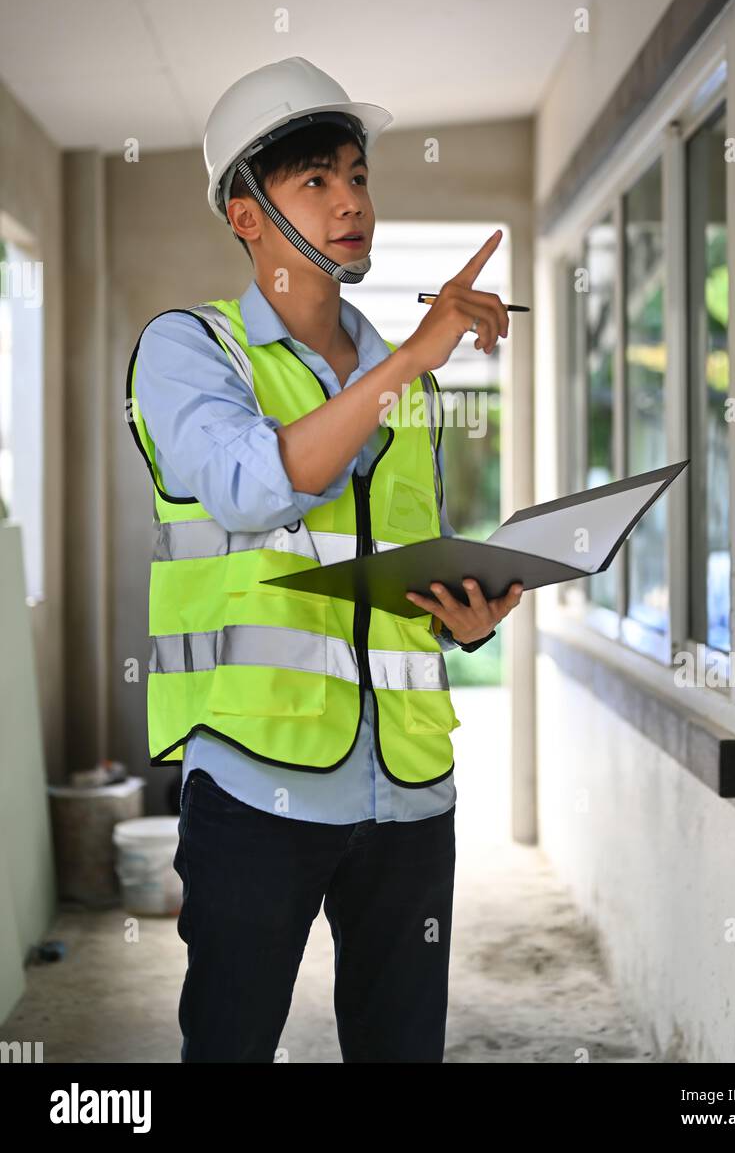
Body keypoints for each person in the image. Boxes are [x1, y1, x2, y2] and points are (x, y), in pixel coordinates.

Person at [126, 55, 524, 1063]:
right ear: (245, 214)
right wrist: (405, 362)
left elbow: (391, 573)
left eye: (357, 174)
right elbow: (254, 487)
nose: (351, 199)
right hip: (257, 785)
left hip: (409, 786)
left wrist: (457, 613)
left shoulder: (406, 380)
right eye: (315, 178)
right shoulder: (191, 351)